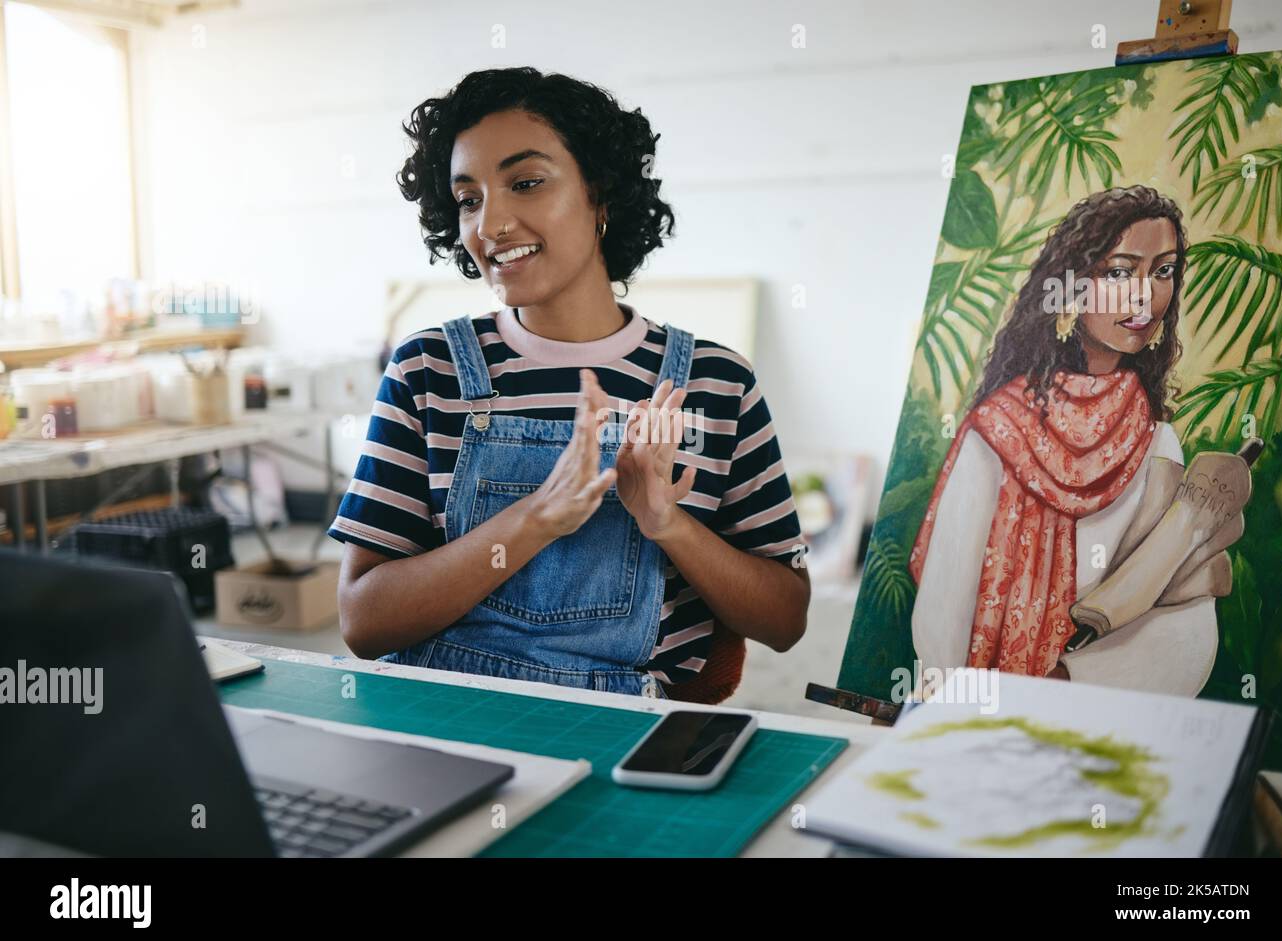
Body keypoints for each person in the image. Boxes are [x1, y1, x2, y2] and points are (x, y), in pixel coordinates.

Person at [330, 67, 809, 703]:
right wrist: (537, 518)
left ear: (600, 196)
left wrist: (670, 525)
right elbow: (363, 622)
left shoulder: (718, 384)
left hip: (630, 733)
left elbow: (784, 622)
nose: (490, 224)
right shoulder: (427, 372)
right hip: (444, 715)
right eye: (469, 199)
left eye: (525, 183)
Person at [908, 186, 1218, 696]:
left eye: (1163, 271)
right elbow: (944, 609)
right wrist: (957, 708)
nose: (1145, 295)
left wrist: (1066, 682)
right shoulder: (999, 430)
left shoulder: (1158, 444)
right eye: (1120, 271)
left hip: (1098, 725)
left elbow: (1185, 623)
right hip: (972, 719)